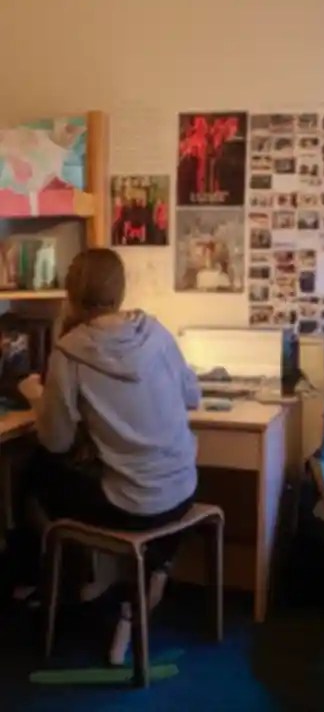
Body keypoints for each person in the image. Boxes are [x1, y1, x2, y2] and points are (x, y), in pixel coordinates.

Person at [12, 247, 201, 666]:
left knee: (34, 473)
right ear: (120, 290)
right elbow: (193, 396)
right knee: (140, 483)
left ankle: (40, 583)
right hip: (184, 493)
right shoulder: (158, 334)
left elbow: (56, 441)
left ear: (71, 293)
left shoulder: (69, 352)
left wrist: (36, 394)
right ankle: (154, 566)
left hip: (130, 510)